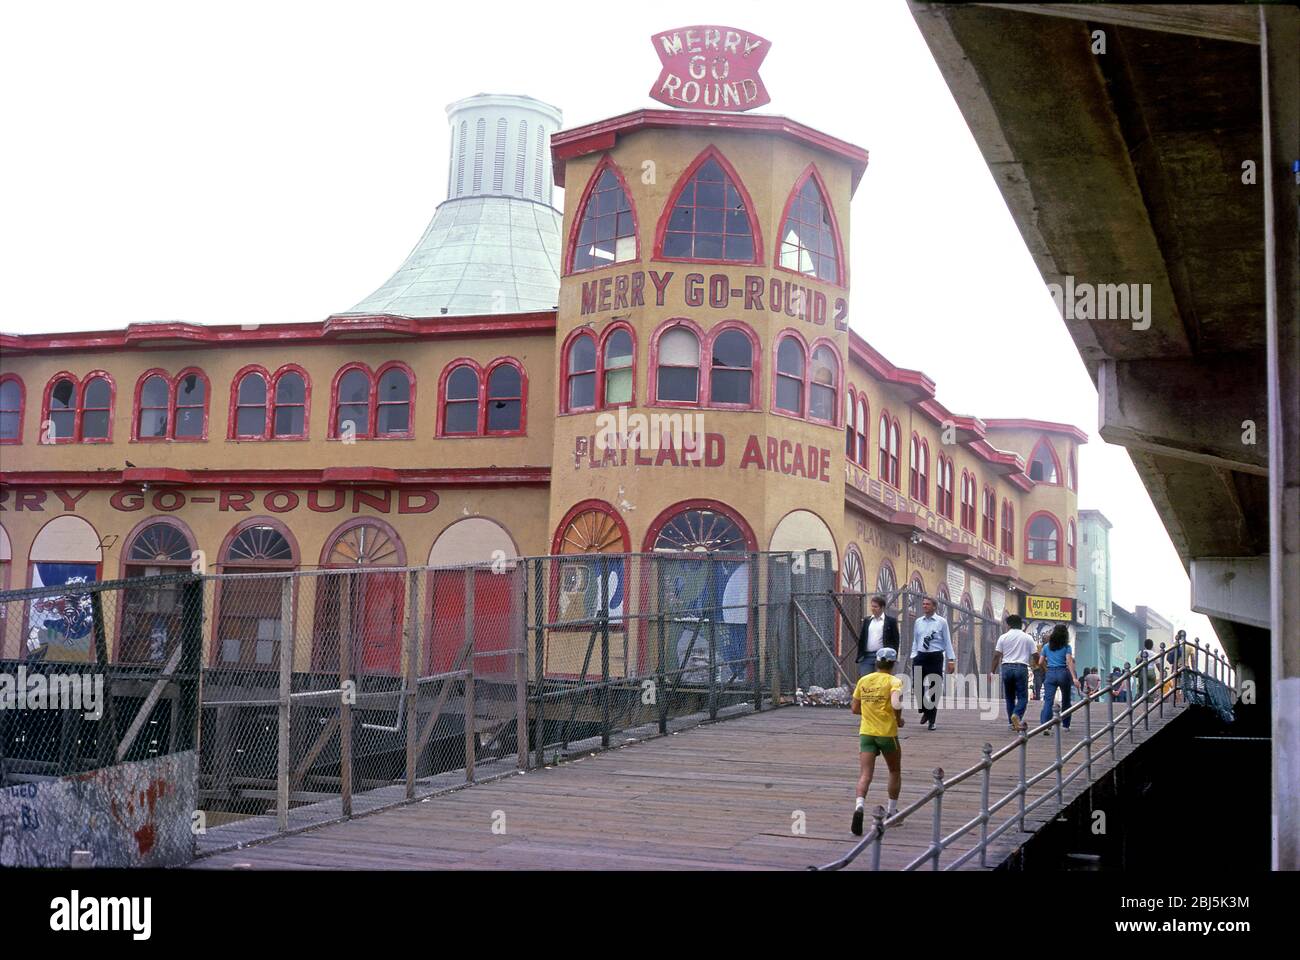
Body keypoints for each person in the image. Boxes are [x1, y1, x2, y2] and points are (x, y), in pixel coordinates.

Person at [850, 646, 904, 836]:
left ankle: (859, 806)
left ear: (877, 662)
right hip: (887, 733)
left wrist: (869, 710)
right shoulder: (894, 681)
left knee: (865, 775)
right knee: (894, 770)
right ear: (893, 664)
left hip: (866, 733)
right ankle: (891, 812)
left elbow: (854, 708)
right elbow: (896, 703)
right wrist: (898, 718)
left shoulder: (864, 680)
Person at [910, 596, 956, 731]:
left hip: (935, 656)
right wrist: (914, 654)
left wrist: (951, 659)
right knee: (917, 685)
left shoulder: (941, 622)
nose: (924, 606)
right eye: (923, 604)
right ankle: (924, 709)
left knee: (934, 688)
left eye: (927, 604)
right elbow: (916, 639)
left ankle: (932, 720)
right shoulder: (918, 622)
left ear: (934, 607)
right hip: (920, 655)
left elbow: (947, 641)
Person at [989, 613, 1036, 732]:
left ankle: (1011, 723)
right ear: (1021, 625)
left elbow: (996, 656)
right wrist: (1042, 666)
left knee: (1009, 697)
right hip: (1021, 668)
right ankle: (1016, 715)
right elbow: (1035, 655)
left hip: (1006, 668)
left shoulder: (1003, 637)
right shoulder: (1027, 638)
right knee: (1023, 697)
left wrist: (992, 672)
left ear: (1009, 625)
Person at [1037, 624, 1078, 731]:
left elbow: (1040, 662)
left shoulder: (1046, 647)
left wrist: (1047, 669)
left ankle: (1046, 726)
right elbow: (1069, 662)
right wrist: (1074, 678)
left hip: (1050, 673)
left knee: (1048, 701)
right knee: (1066, 700)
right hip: (1063, 673)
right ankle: (1065, 725)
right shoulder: (1066, 647)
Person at [856, 595, 900, 678]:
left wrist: (893, 657)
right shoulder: (867, 620)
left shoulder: (890, 621)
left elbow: (896, 640)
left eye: (875, 607)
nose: (873, 608)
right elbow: (862, 638)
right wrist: (860, 655)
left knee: (881, 681)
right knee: (866, 680)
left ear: (882, 608)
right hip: (867, 656)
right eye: (872, 606)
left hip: (883, 657)